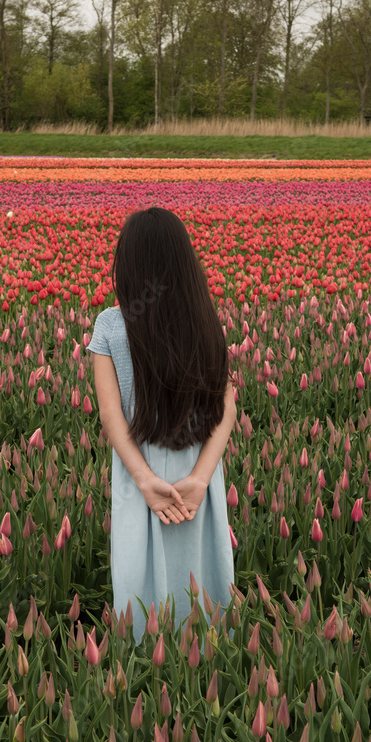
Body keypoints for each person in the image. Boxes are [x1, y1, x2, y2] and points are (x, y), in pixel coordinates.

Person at [85, 207, 237, 643]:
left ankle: (144, 672)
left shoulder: (111, 326)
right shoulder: (205, 321)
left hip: (142, 476)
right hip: (195, 476)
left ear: (127, 266)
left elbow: (112, 419)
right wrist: (202, 478)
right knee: (201, 582)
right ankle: (208, 670)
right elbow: (226, 408)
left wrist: (146, 480)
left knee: (142, 580)